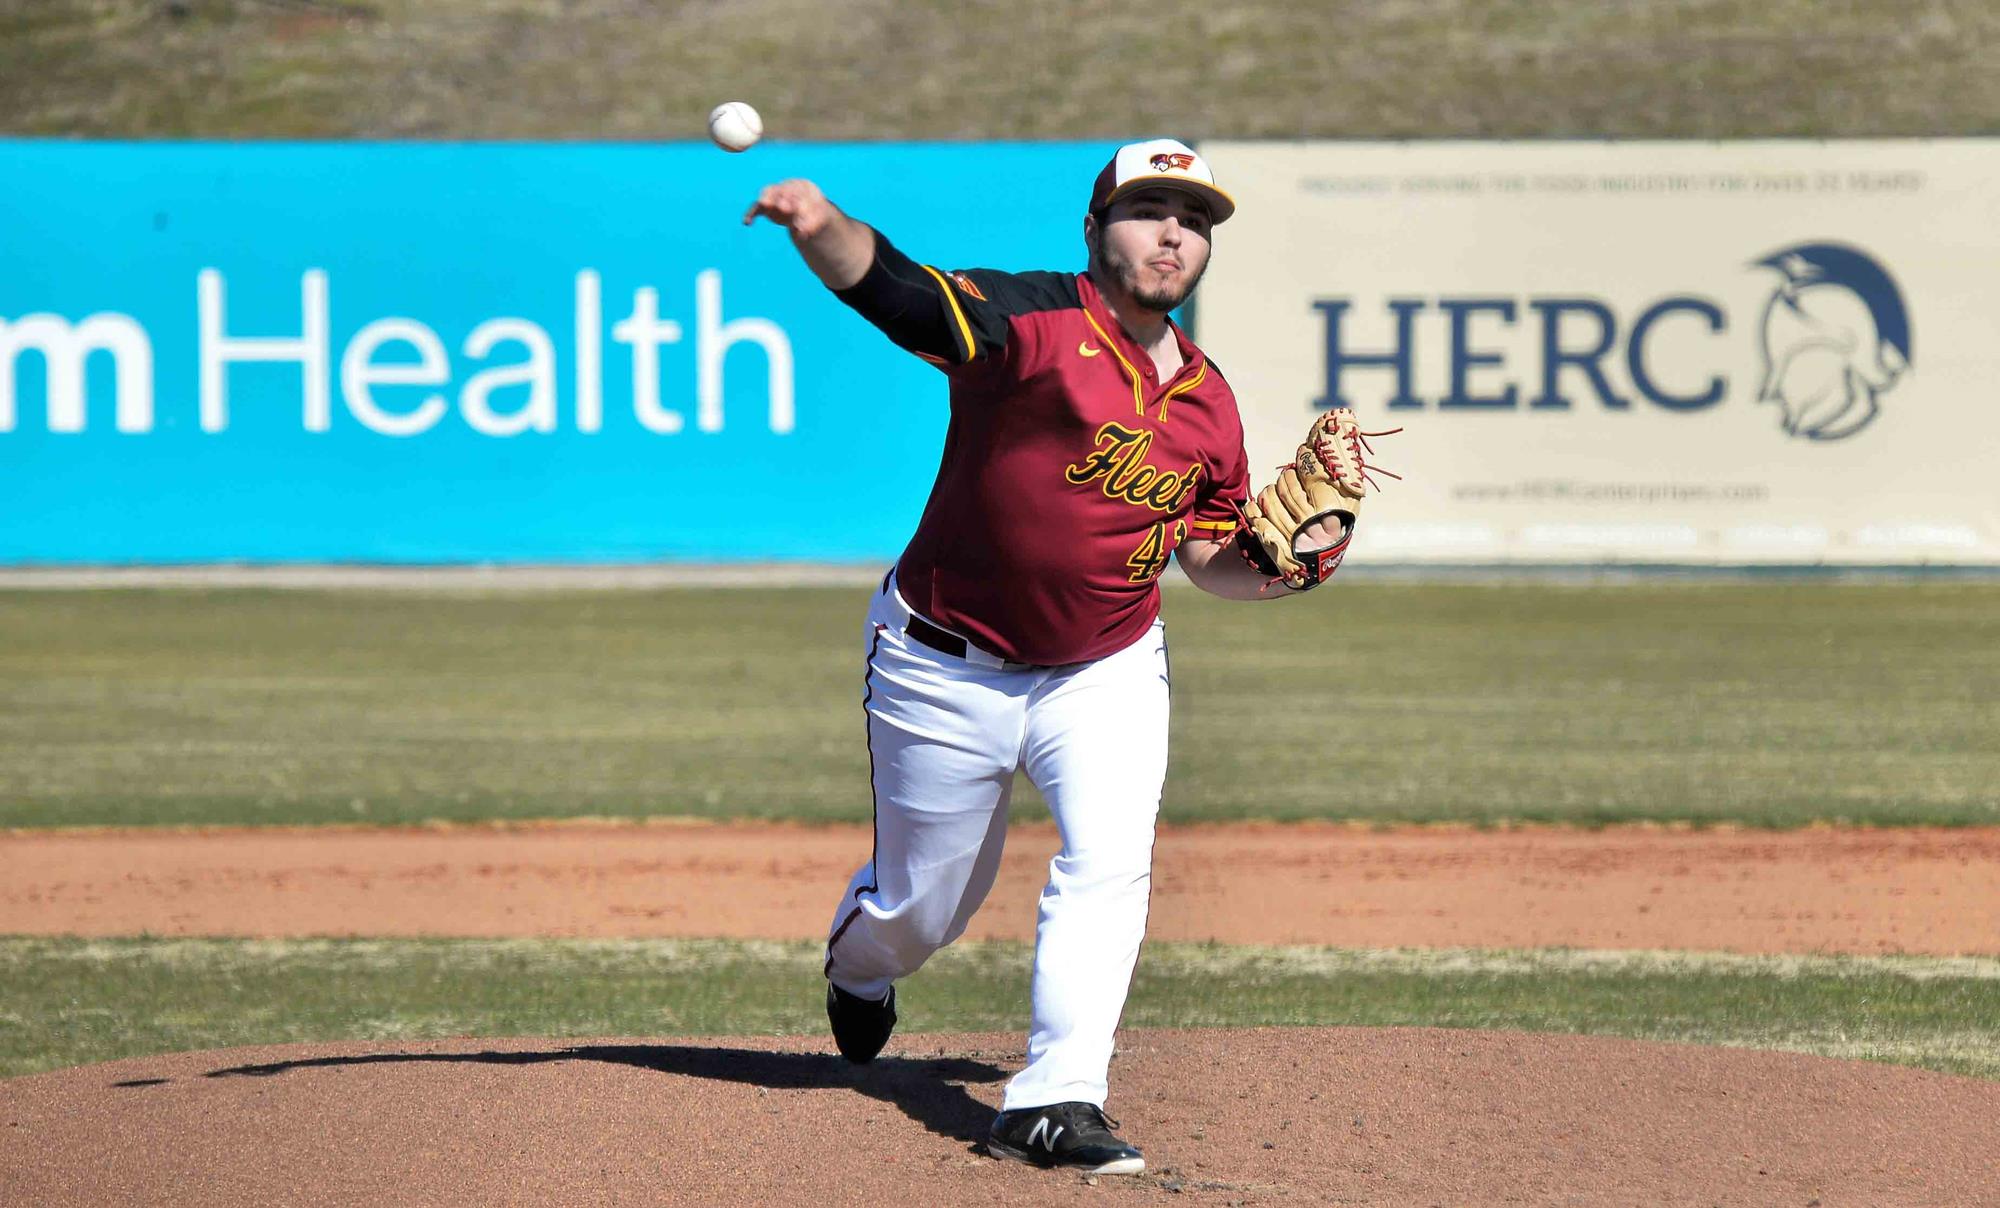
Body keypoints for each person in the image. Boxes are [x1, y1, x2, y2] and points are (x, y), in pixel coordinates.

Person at [745, 138, 1348, 1176]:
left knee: (1108, 862)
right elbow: (902, 296)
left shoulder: (1205, 400)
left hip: (1104, 665)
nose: (1171, 233)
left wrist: (1288, 563)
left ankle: (1054, 1096)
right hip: (943, 662)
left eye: (1193, 219)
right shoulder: (1027, 322)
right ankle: (859, 966)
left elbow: (1207, 553)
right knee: (921, 909)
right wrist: (818, 226)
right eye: (1148, 209)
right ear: (1092, 229)